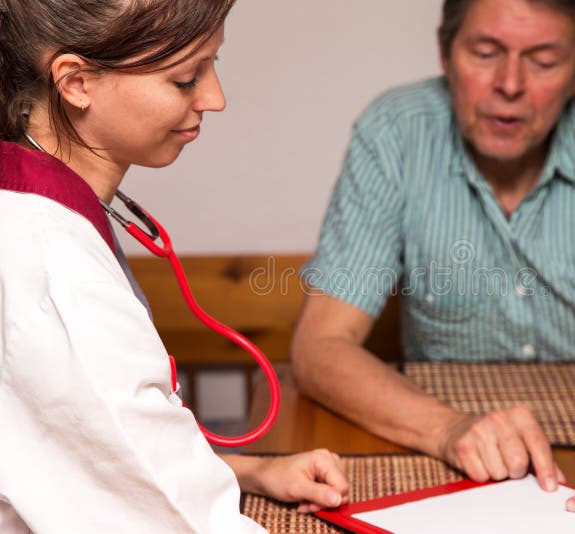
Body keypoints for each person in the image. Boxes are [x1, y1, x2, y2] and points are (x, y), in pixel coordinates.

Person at [291, 0, 575, 514]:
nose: (510, 84)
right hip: (452, 457)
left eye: (543, 61)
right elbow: (320, 346)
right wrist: (448, 428)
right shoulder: (394, 133)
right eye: (484, 52)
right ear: (445, 52)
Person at [0, 1, 347, 532]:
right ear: (75, 82)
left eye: (212, 66)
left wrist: (241, 472)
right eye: (186, 79)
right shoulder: (56, 270)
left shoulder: (40, 210)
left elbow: (86, 446)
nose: (216, 99)